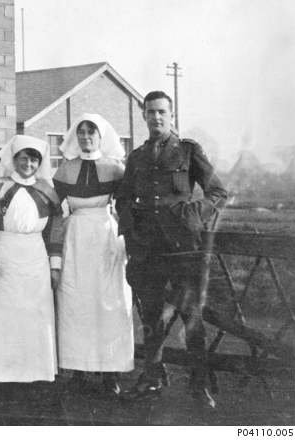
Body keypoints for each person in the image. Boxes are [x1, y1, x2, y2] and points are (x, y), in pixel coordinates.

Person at [116, 91, 227, 409]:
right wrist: (131, 229)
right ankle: (153, 376)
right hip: (148, 248)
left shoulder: (188, 150)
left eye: (162, 112)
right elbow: (123, 197)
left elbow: (217, 192)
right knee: (151, 316)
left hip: (182, 248)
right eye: (150, 112)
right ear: (143, 115)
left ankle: (199, 385)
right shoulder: (136, 157)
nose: (156, 117)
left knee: (192, 319)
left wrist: (193, 214)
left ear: (171, 114)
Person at [53, 114, 134, 395]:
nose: (86, 136)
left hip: (105, 236)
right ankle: (78, 368)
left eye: (92, 132)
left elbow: (126, 207)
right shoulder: (65, 170)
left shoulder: (115, 168)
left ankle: (111, 370)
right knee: (76, 300)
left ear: (102, 136)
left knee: (109, 300)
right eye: (82, 132)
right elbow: (55, 208)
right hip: (74, 236)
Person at [0, 135, 63, 383]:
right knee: (5, 318)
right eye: (24, 157)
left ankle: (36, 373)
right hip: (5, 254)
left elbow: (55, 229)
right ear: (14, 159)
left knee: (36, 315)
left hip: (35, 258)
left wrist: (55, 266)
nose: (29, 163)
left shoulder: (46, 190)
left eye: (34, 159)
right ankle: (2, 375)